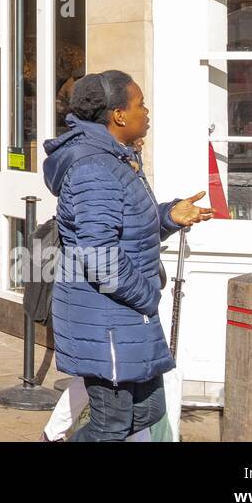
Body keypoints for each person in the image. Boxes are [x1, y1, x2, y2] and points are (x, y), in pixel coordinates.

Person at [42, 70, 212, 442]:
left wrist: (168, 216)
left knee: (149, 411)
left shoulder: (116, 158)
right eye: (140, 104)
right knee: (111, 424)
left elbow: (127, 227)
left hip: (127, 315)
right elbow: (99, 255)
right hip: (106, 319)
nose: (147, 111)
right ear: (118, 115)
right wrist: (147, 295)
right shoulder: (94, 168)